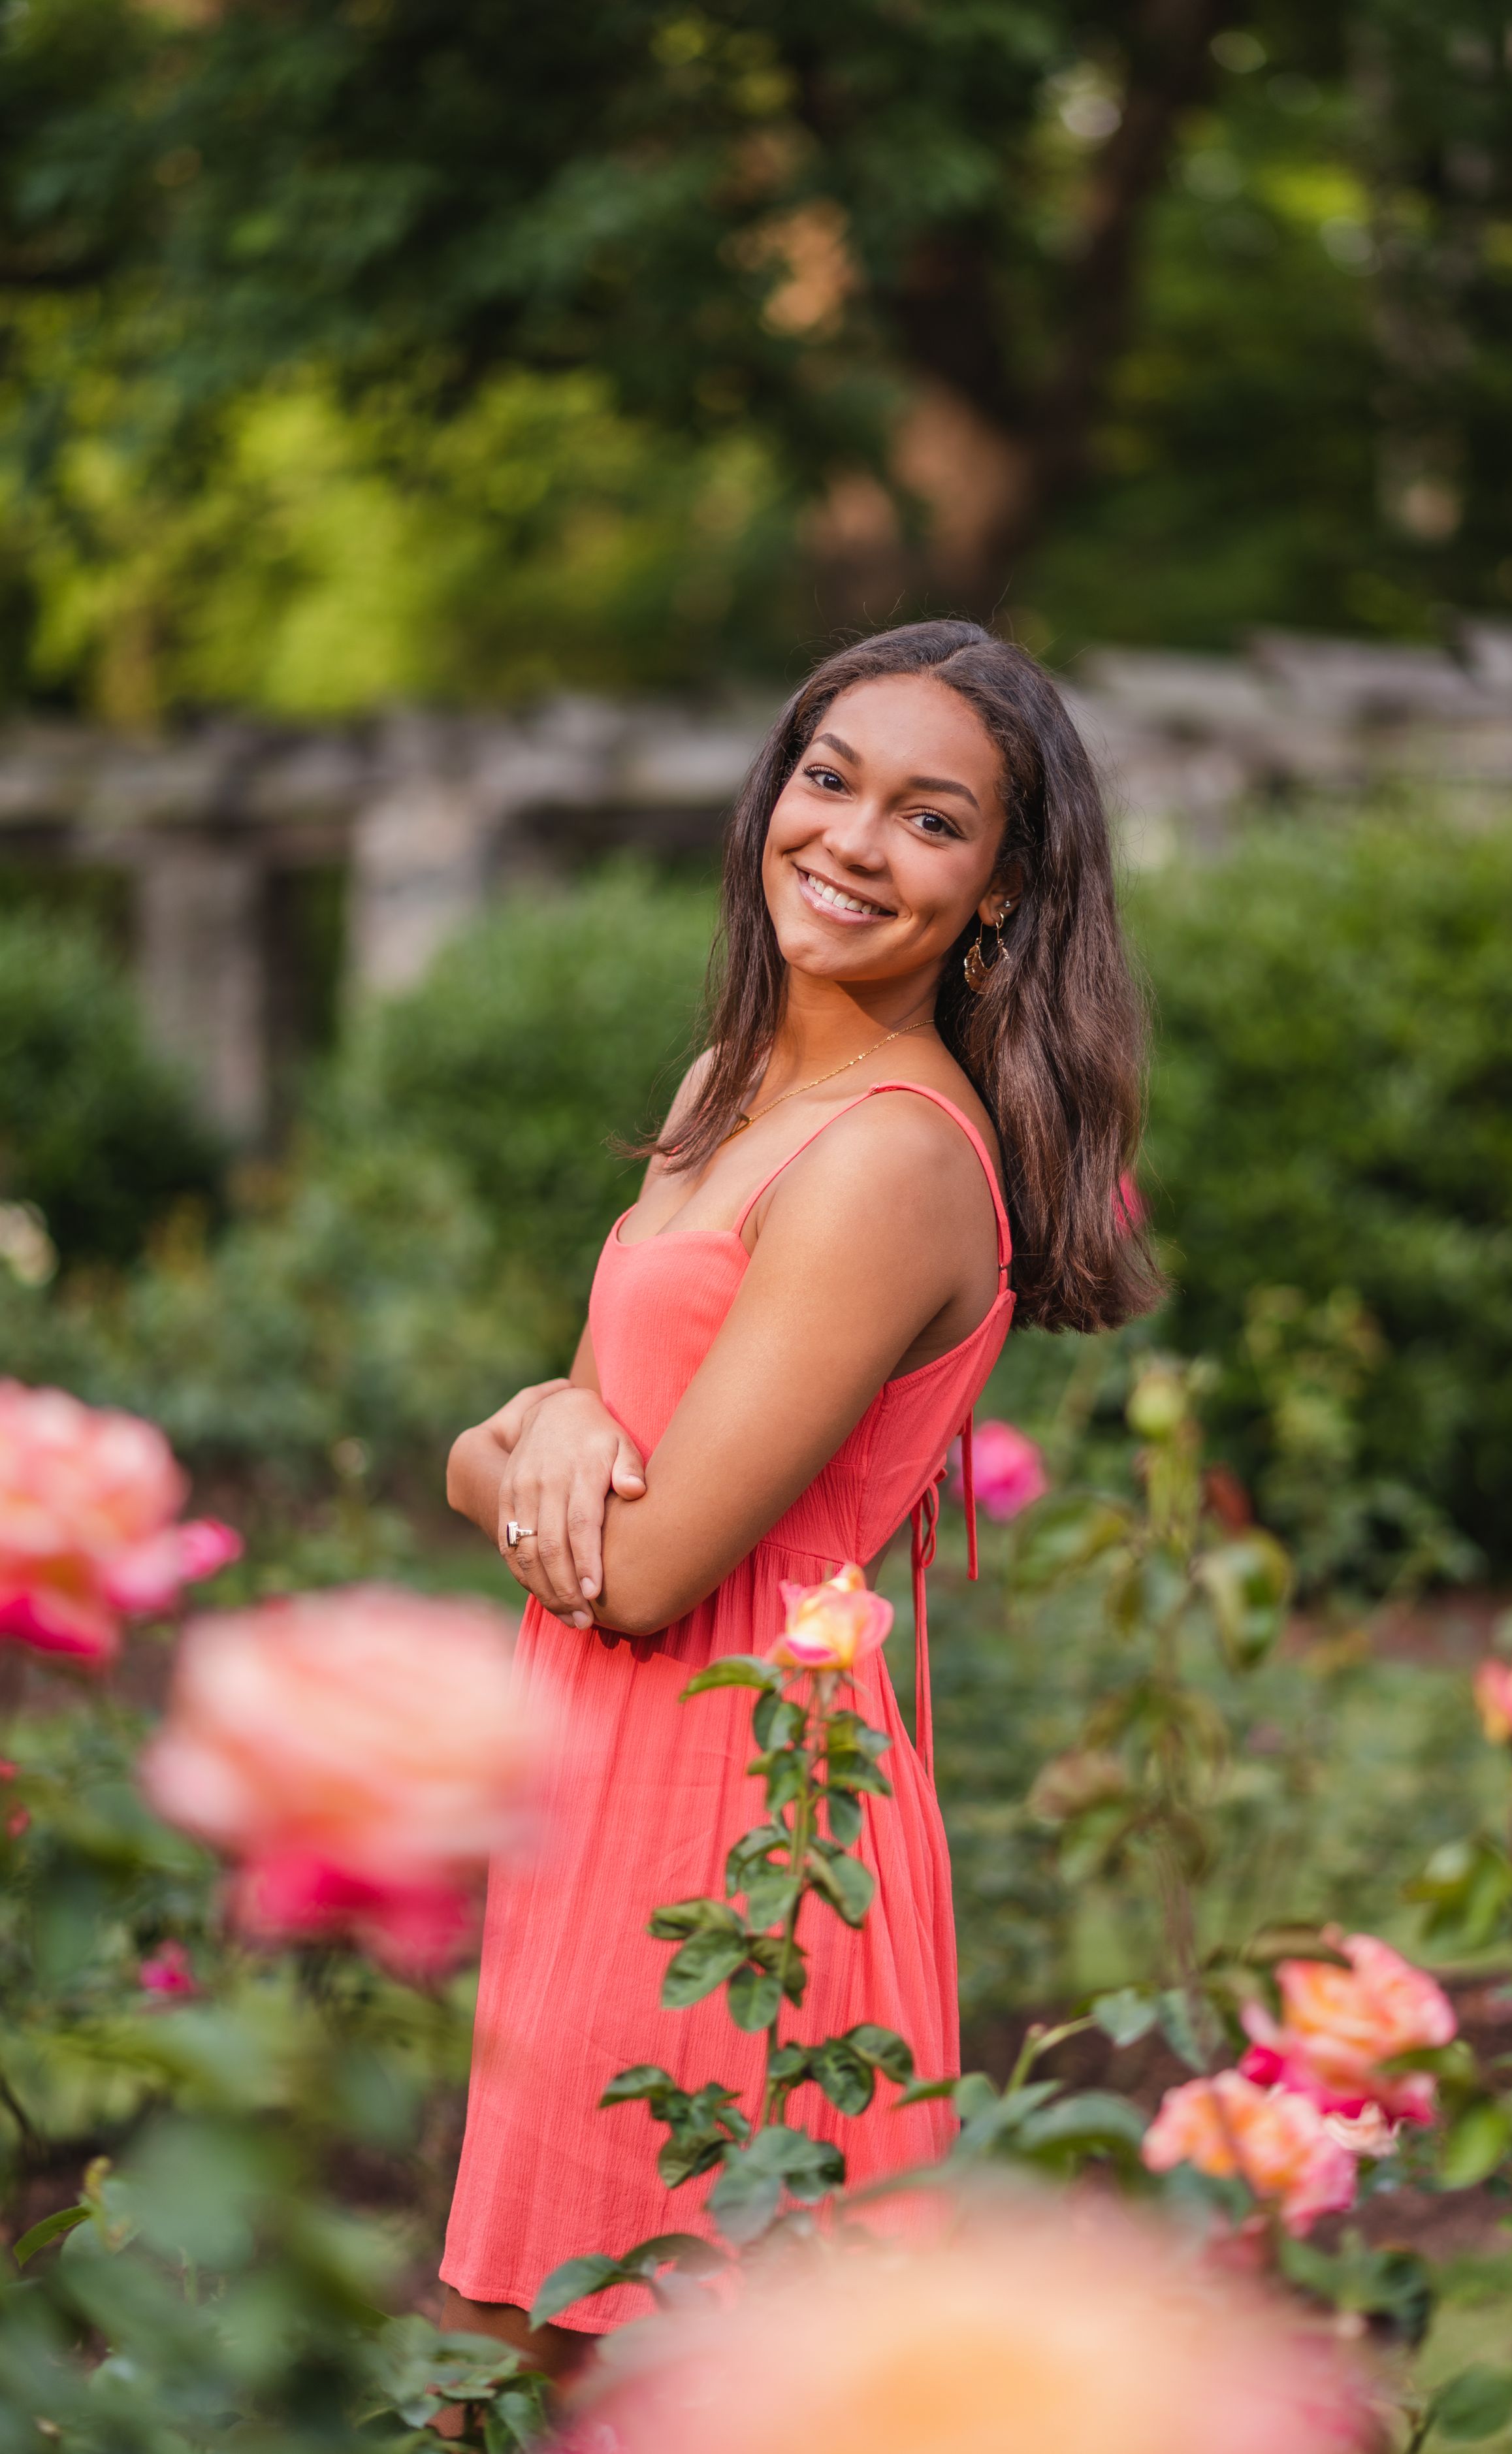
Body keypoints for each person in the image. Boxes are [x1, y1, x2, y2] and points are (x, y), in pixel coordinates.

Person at [436, 619, 1158, 2381]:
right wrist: (535, 1423)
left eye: (928, 819)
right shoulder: (727, 1093)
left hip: (743, 1811)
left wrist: (506, 1440)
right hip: (603, 1789)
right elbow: (590, 1450)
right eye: (827, 780)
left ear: (997, 891)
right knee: (523, 2362)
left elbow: (640, 1561)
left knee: (662, 2366)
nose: (846, 841)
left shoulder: (894, 1162)